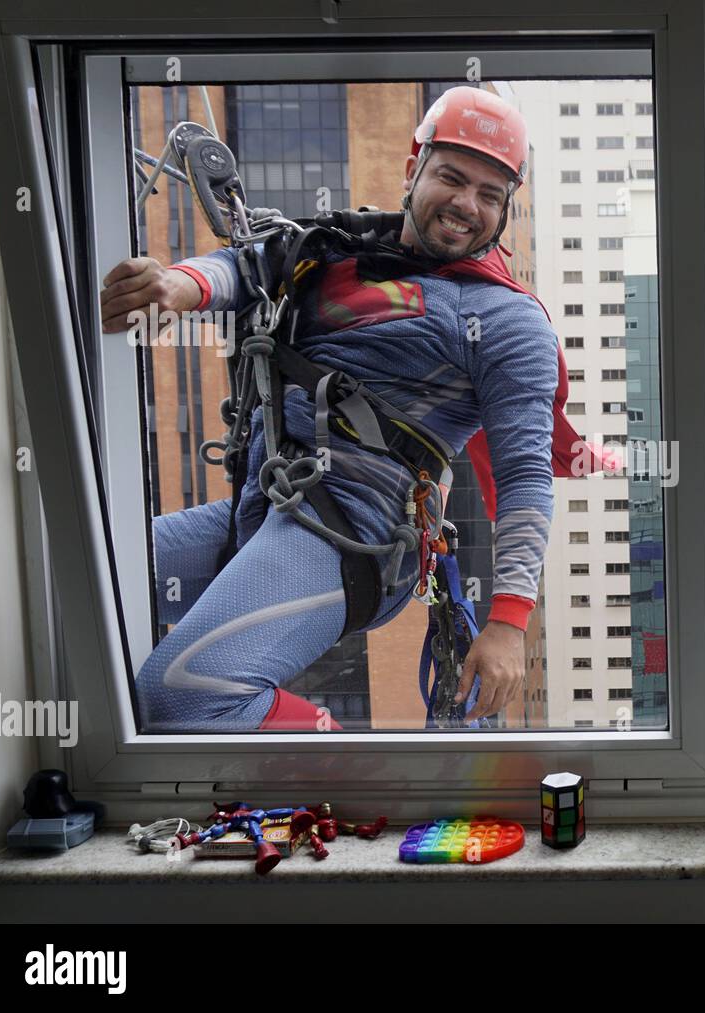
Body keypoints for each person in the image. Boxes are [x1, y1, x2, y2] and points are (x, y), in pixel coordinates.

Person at [99, 86, 603, 732]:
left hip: (353, 535)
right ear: (412, 169)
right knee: (90, 575)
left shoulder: (507, 321)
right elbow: (254, 265)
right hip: (264, 509)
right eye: (452, 177)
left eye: (490, 195)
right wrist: (176, 287)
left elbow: (525, 474)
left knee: (179, 694)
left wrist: (508, 623)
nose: (467, 206)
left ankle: (336, 759)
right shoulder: (339, 248)